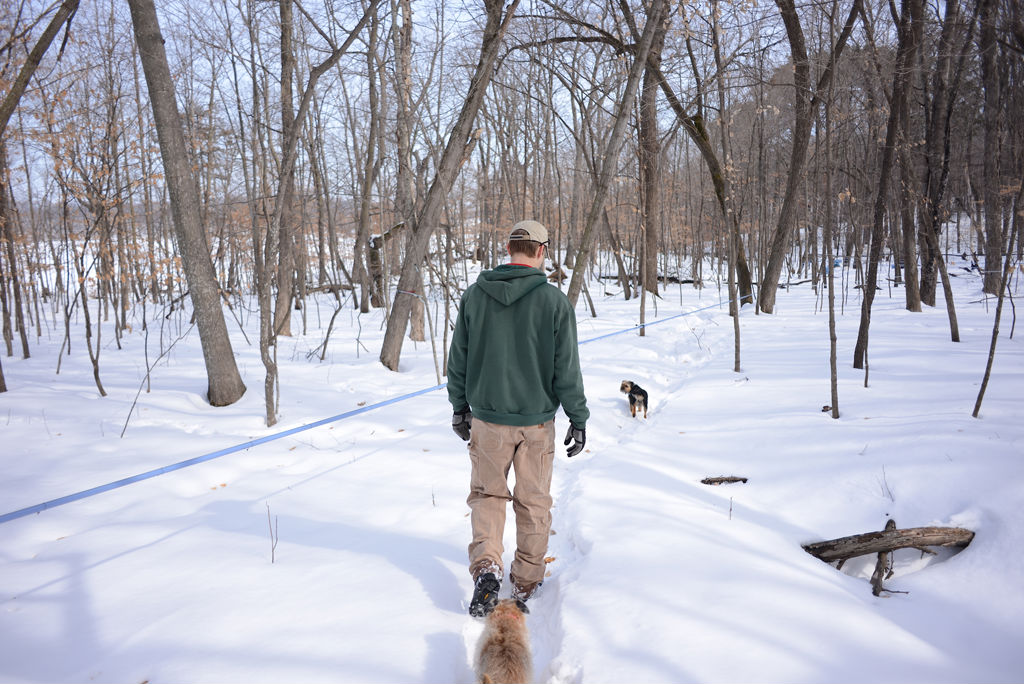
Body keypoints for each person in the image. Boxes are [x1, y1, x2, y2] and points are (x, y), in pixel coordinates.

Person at [447, 219, 589, 617]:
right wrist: (578, 417)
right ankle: (525, 582)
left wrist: (459, 406)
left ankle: (488, 567)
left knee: (488, 497)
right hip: (536, 424)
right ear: (541, 252)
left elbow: (457, 359)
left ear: (509, 249)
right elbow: (568, 371)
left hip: (489, 420)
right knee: (533, 502)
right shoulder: (554, 302)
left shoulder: (476, 295)